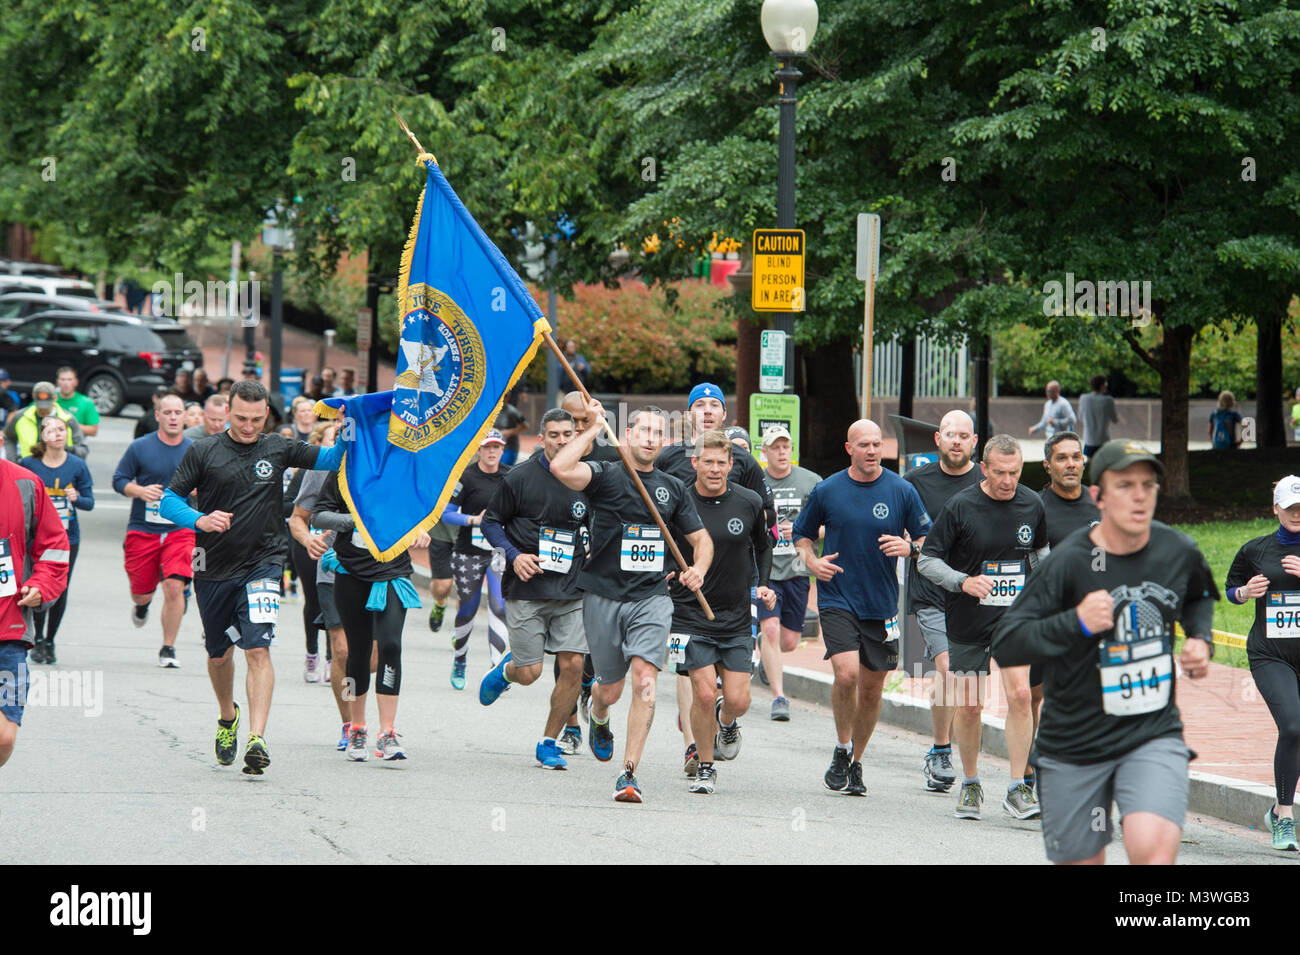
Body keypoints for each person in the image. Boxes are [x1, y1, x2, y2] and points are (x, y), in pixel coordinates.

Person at [993, 440, 1216, 864]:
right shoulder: (1070, 562)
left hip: (1151, 734)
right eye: (1125, 485)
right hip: (1073, 744)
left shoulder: (1177, 550)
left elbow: (1199, 594)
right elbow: (1007, 643)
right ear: (1098, 496)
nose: (1139, 495)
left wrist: (1199, 638)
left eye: (1148, 485)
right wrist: (1073, 622)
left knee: (1151, 849)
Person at [159, 380, 345, 775]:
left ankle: (257, 738)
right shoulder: (204, 450)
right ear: (228, 411)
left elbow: (331, 460)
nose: (248, 427)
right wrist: (200, 519)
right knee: (218, 653)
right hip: (211, 563)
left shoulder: (278, 446)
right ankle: (228, 717)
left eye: (257, 420)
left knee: (258, 648)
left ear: (267, 416)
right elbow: (168, 499)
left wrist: (350, 429)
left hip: (265, 560)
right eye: (241, 418)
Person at [550, 401, 710, 803]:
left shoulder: (673, 489)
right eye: (644, 431)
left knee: (646, 682)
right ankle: (599, 715)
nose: (652, 439)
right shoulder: (605, 475)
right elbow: (561, 468)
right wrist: (592, 430)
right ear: (628, 436)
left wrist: (699, 569)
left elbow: (701, 541)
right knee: (611, 690)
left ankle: (628, 773)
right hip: (603, 596)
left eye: (659, 433)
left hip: (651, 598)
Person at [793, 419, 930, 797]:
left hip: (882, 603)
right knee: (847, 674)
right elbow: (801, 536)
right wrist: (812, 562)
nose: (872, 451)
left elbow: (926, 538)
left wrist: (910, 548)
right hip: (838, 596)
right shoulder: (828, 490)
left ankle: (855, 761)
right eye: (864, 445)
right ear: (848, 447)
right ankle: (841, 746)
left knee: (872, 689)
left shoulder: (901, 490)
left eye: (877, 444)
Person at [919, 433, 1049, 820]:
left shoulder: (1032, 503)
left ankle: (1016, 788)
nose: (1008, 481)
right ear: (984, 468)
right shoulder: (960, 506)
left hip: (1015, 620)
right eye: (999, 473)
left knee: (1022, 696)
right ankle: (971, 784)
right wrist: (964, 582)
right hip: (968, 620)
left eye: (1014, 472)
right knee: (971, 706)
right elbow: (927, 560)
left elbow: (1040, 554)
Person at [478, 409, 591, 771]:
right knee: (530, 673)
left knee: (573, 663)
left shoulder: (588, 478)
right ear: (541, 439)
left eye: (568, 434)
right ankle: (507, 671)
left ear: (576, 437)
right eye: (554, 434)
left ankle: (549, 741)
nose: (561, 440)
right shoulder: (520, 478)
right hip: (527, 588)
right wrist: (514, 556)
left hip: (572, 588)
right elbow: (491, 523)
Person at [670, 430, 773, 794]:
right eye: (707, 462)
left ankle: (726, 721)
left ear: (732, 465)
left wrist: (764, 584)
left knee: (738, 700)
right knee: (700, 692)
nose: (714, 469)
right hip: (688, 612)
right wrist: (670, 573)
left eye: (721, 463)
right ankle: (705, 765)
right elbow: (667, 544)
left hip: (734, 616)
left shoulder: (749, 501)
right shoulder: (679, 502)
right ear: (695, 463)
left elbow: (763, 546)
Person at [312, 471, 426, 761]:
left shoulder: (403, 467)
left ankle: (387, 733)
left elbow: (422, 506)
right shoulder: (344, 471)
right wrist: (354, 521)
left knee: (390, 645)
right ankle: (357, 728)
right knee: (358, 652)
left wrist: (420, 527)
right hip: (351, 572)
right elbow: (319, 515)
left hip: (392, 572)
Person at [903, 410, 983, 793]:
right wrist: (910, 546)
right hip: (933, 590)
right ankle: (939, 749)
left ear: (974, 441)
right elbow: (898, 531)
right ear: (937, 440)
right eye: (949, 434)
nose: (955, 440)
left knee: (969, 682)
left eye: (963, 435)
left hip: (979, 593)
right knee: (949, 669)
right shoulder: (915, 482)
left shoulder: (987, 481)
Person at [1225, 475, 1300, 851]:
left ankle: (1274, 810)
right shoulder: (1256, 549)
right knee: (1292, 725)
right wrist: (1243, 592)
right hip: (1271, 654)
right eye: (1290, 508)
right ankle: (1285, 816)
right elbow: (1231, 588)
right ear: (1276, 509)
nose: (1297, 514)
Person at [288, 421, 370, 751]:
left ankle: (361, 715)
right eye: (341, 437)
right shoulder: (322, 468)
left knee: (371, 657)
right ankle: (350, 724)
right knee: (342, 650)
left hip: (375, 569)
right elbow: (298, 517)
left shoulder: (379, 468)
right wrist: (307, 539)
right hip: (333, 566)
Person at [0, 450, 70, 768]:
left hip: (9, 628)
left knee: (4, 738)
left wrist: (41, 585)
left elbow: (54, 546)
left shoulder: (26, 483)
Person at [113, 392, 194, 667]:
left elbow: (213, 484)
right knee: (141, 591)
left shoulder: (195, 449)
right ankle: (142, 604)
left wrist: (198, 489)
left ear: (185, 416)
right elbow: (119, 480)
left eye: (178, 412)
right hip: (143, 527)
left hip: (180, 529)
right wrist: (140, 490)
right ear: (157, 415)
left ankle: (168, 648)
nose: (173, 417)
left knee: (174, 585)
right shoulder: (140, 447)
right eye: (167, 412)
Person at [757, 425, 822, 722]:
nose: (782, 452)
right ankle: (779, 698)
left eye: (786, 447)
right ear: (765, 452)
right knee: (769, 629)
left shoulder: (810, 482)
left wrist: (801, 532)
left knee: (789, 642)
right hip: (766, 571)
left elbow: (827, 524)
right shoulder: (755, 482)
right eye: (775, 447)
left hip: (797, 570)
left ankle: (768, 660)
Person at [442, 431, 511, 690]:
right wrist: (472, 520)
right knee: (468, 608)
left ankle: (496, 669)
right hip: (468, 551)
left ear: (502, 450)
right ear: (479, 450)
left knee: (499, 606)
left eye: (497, 447)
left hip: (498, 551)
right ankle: (460, 658)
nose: (492, 452)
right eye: (488, 447)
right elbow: (446, 514)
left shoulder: (509, 476)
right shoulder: (466, 476)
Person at [21, 417, 93, 665]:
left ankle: (50, 640)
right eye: (51, 430)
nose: (58, 434)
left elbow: (90, 502)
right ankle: (37, 638)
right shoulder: (29, 465)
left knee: (60, 588)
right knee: (37, 585)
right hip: (34, 537)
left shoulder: (77, 465)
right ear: (43, 436)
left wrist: (77, 498)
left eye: (62, 430)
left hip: (67, 537)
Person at [5, 381, 88, 462]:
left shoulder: (67, 419)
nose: (43, 409)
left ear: (55, 398)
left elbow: (82, 450)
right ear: (34, 397)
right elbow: (8, 437)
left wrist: (67, 450)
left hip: (59, 468)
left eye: (46, 405)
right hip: (28, 469)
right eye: (40, 405)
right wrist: (13, 460)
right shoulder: (20, 417)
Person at [1077, 374, 1118, 457]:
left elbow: (1080, 417)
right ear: (1102, 385)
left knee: (1088, 467)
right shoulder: (1108, 400)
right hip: (1103, 441)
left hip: (1089, 441)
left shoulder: (1084, 398)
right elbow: (1115, 419)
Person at [54, 367, 100, 438]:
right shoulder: (50, 399)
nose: (66, 383)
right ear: (57, 382)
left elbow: (94, 430)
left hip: (75, 446)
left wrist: (71, 425)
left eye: (69, 379)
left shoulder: (86, 402)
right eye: (63, 379)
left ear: (76, 382)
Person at [495, 391, 528, 467]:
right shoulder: (493, 411)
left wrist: (510, 432)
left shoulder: (512, 412)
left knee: (503, 469)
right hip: (494, 446)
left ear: (508, 398)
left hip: (509, 447)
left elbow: (525, 425)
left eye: (504, 397)